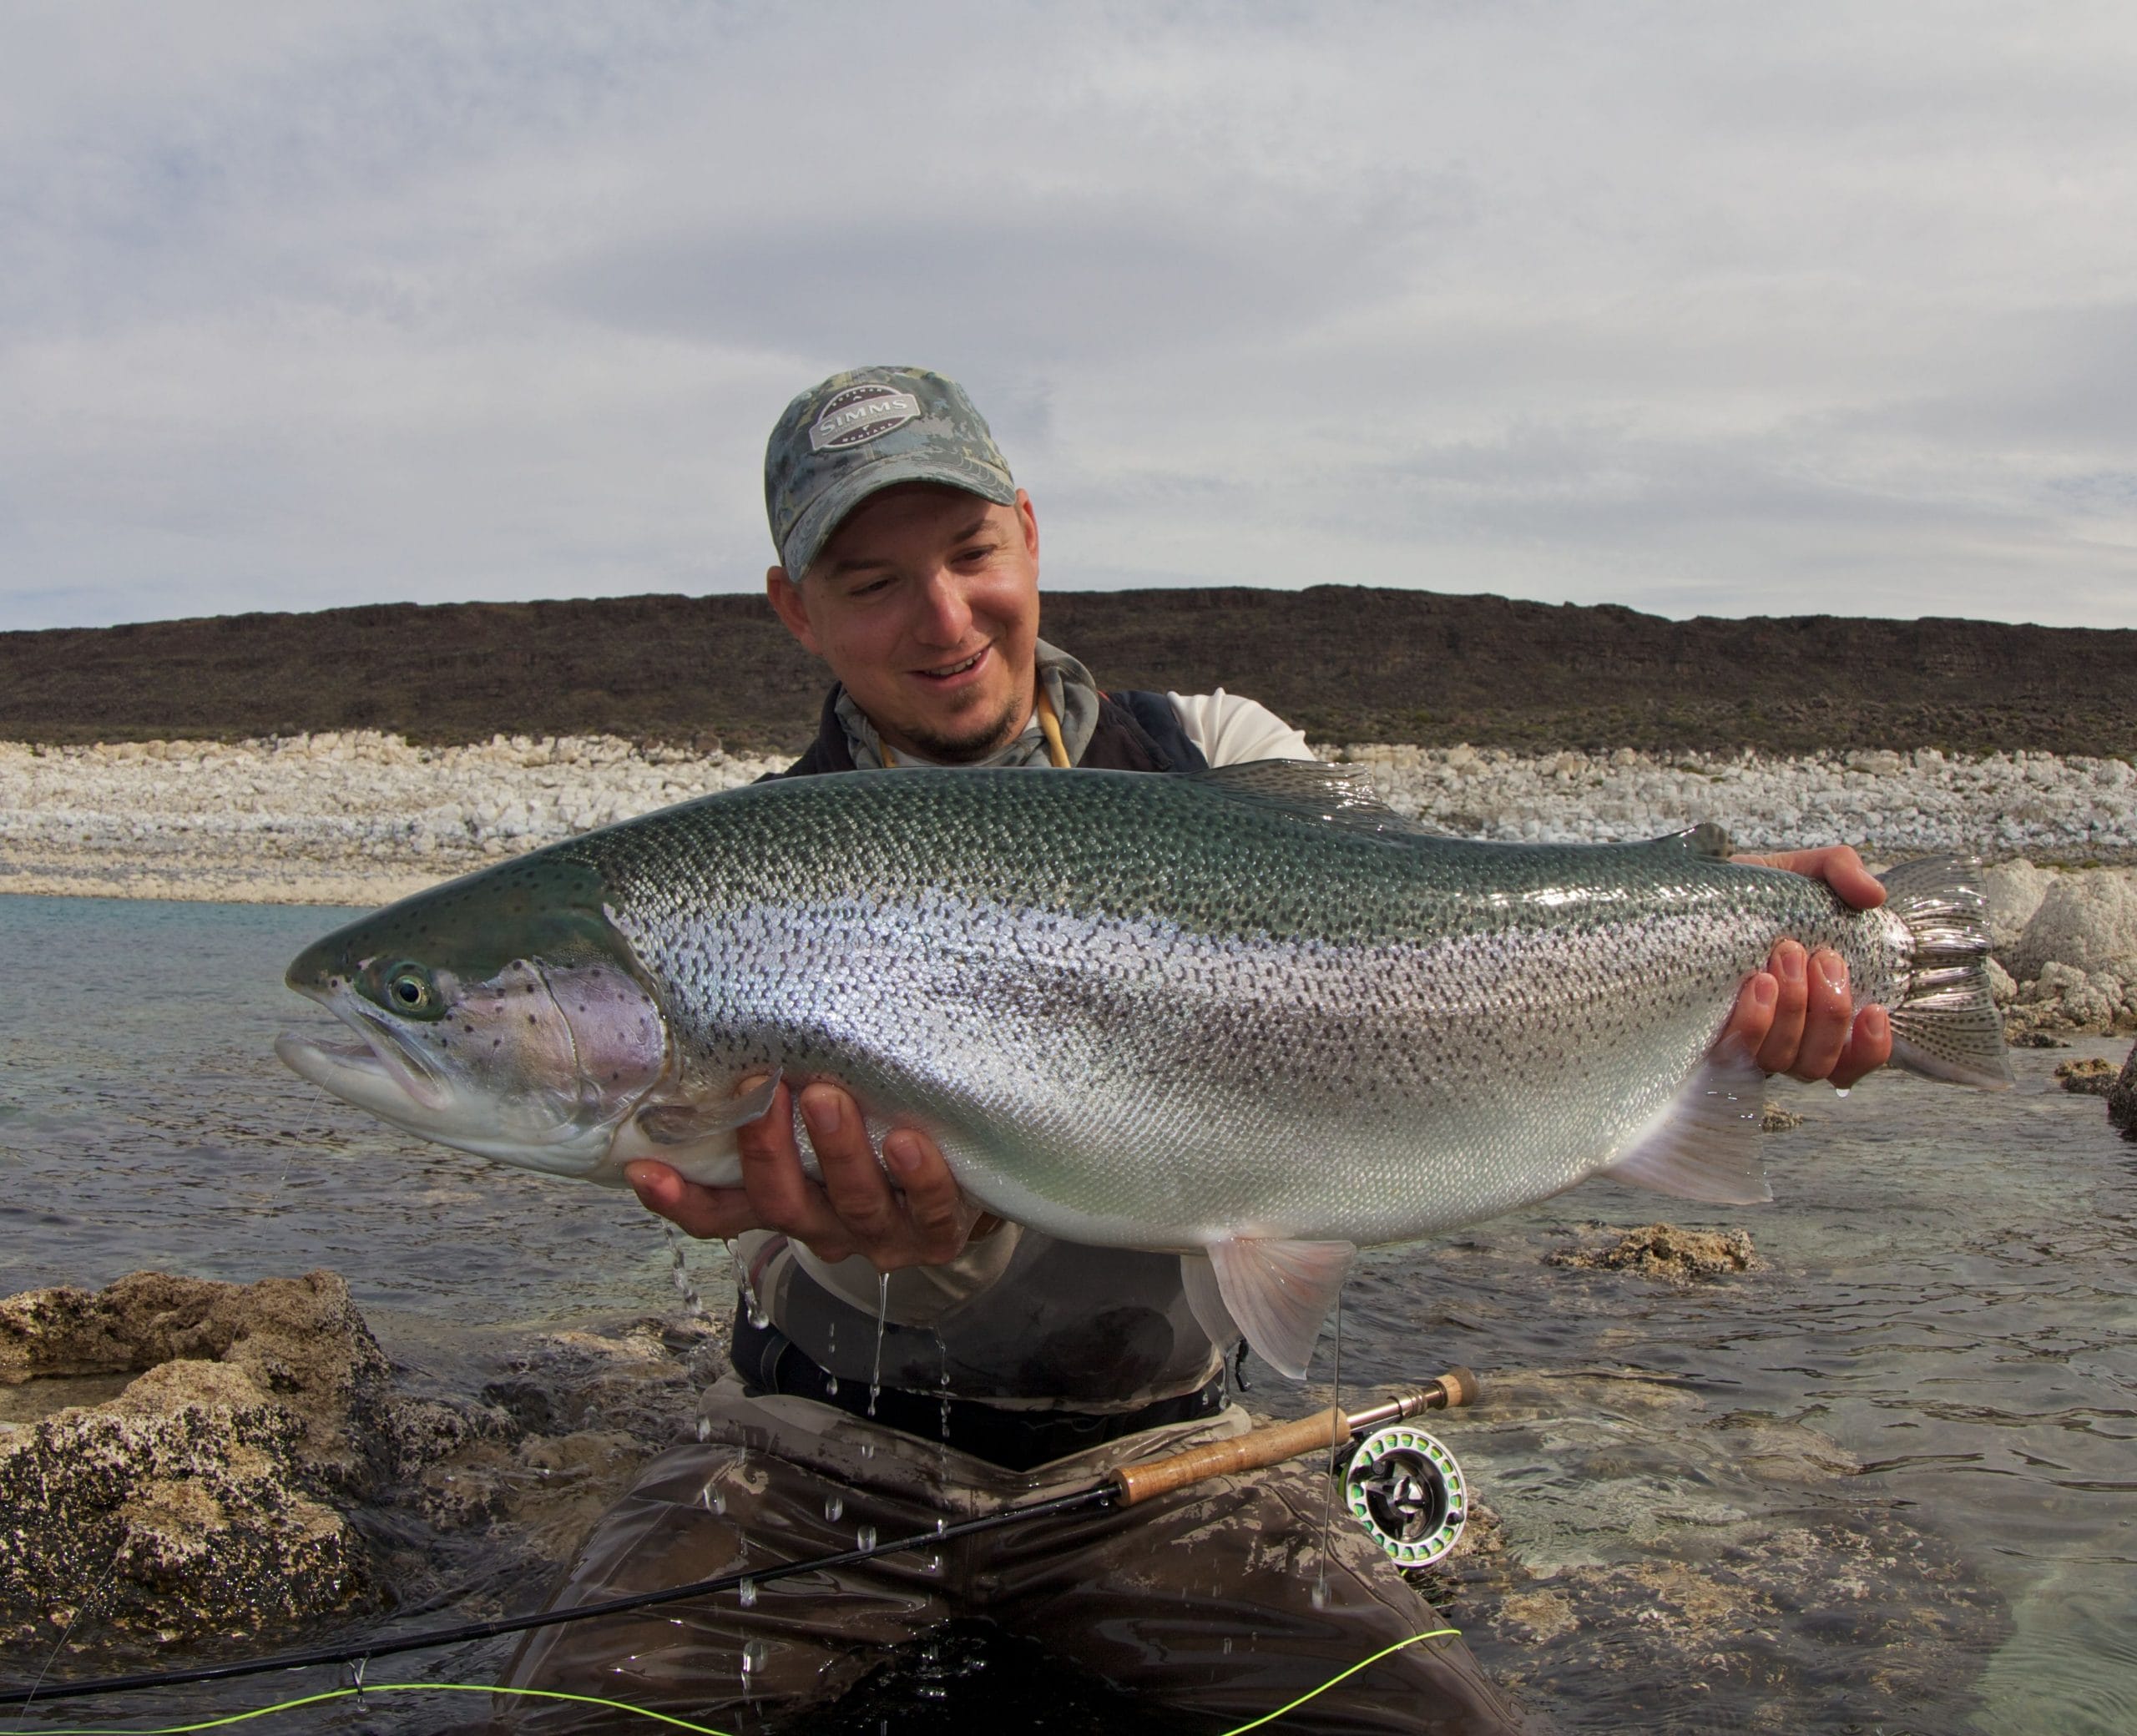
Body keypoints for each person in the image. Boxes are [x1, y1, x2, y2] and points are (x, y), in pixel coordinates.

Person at [496, 366, 1891, 1733]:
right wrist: (907, 1235)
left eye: (973, 553)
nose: (944, 615)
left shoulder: (1218, 754)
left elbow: (1431, 926)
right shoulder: (745, 869)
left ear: (1029, 535)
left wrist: (1714, 927)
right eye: (871, 582)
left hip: (1165, 1457)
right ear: (794, 610)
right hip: (817, 1454)